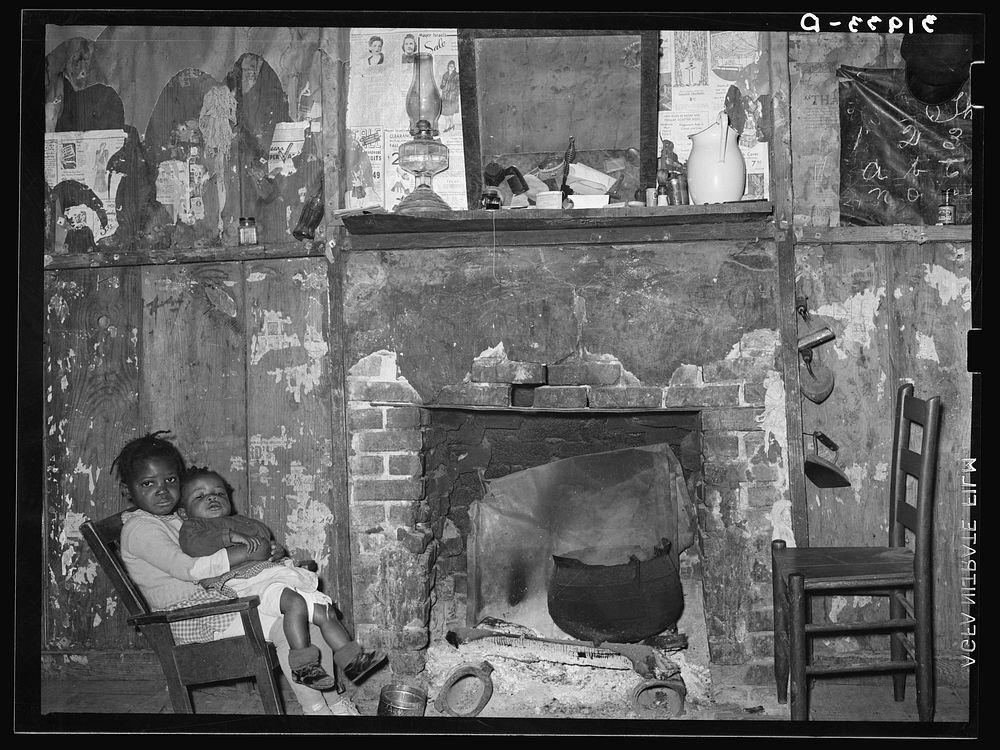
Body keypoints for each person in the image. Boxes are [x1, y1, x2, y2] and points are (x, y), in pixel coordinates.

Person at [113, 432, 376, 716]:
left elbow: (213, 548)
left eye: (171, 480)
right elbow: (188, 568)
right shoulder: (141, 529)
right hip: (192, 618)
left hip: (220, 600)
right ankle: (317, 712)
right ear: (129, 491)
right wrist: (250, 553)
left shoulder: (178, 516)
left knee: (310, 617)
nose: (162, 490)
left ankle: (335, 703)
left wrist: (268, 553)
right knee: (290, 626)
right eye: (148, 483)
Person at [177, 466, 387, 692]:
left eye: (219, 493)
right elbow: (194, 545)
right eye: (200, 496)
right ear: (183, 511)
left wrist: (275, 551)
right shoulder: (193, 527)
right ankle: (303, 666)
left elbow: (265, 543)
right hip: (245, 583)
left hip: (272, 573)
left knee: (325, 611)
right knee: (294, 604)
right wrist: (229, 536)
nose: (212, 498)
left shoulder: (243, 521)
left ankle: (353, 661)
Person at [439, 60, 460, 132]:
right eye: (450, 66)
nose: (451, 67)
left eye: (453, 66)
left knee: (450, 112)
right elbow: (442, 85)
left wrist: (454, 93)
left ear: (455, 67)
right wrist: (443, 87)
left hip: (452, 96)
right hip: (445, 96)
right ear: (448, 67)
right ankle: (451, 125)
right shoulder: (445, 75)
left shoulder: (457, 75)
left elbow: (458, 87)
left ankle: (448, 126)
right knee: (445, 112)